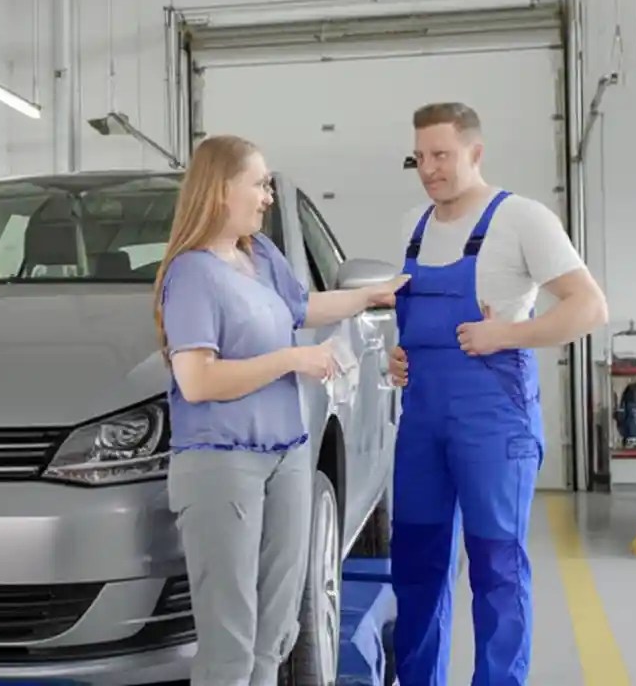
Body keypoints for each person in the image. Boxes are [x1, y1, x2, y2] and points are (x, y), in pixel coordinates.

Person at [152, 134, 408, 686]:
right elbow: (196, 381)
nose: (267, 196)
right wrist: (290, 358)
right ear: (222, 190)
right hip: (223, 464)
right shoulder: (191, 274)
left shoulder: (260, 256)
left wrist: (373, 295)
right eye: (260, 184)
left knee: (276, 631)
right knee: (231, 640)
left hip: (286, 456)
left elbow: (305, 305)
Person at [386, 103, 608, 685]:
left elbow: (589, 307)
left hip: (493, 421)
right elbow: (406, 320)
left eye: (443, 155)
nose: (430, 169)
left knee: (496, 569)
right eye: (421, 157)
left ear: (475, 153)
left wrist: (506, 333)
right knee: (416, 565)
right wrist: (397, 354)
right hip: (422, 423)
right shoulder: (414, 224)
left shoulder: (521, 219)